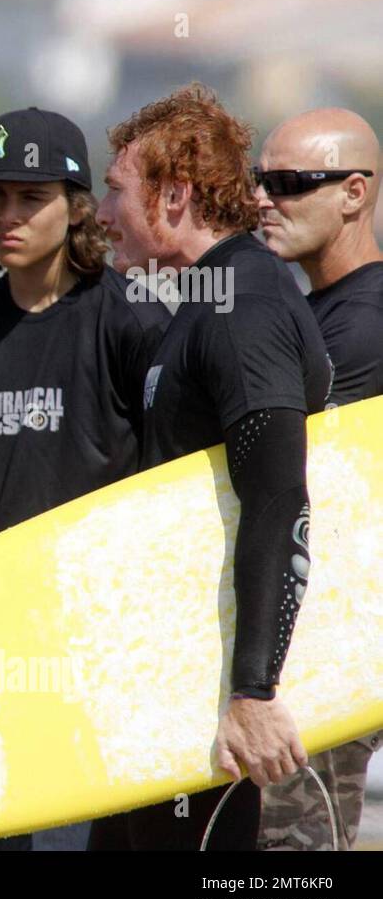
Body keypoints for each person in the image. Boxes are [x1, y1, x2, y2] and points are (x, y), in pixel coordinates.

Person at [91, 83, 332, 850]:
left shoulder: (243, 309)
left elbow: (277, 500)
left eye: (115, 191)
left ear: (173, 196)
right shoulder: (202, 304)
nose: (101, 215)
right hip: (179, 677)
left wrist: (253, 692)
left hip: (220, 695)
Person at [0, 107, 171, 850]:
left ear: (74, 209)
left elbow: (168, 481)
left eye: (30, 198)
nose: (8, 216)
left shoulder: (131, 319)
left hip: (110, 627)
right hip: (7, 624)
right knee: (14, 828)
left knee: (96, 828)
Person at [253, 106, 383, 850]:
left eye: (292, 183)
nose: (266, 199)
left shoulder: (364, 322)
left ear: (354, 194)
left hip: (330, 659)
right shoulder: (320, 313)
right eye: (261, 181)